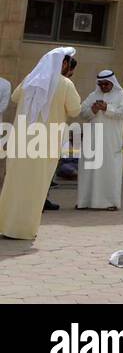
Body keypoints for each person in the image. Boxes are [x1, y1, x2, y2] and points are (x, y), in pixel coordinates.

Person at [0, 47, 83, 240]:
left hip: (21, 143)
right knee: (35, 186)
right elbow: (75, 110)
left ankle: (5, 225)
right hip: (45, 144)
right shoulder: (65, 84)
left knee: (14, 183)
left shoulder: (31, 79)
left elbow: (14, 98)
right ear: (62, 63)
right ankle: (22, 230)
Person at [76, 69, 123, 211]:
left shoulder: (121, 95)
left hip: (110, 141)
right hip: (92, 139)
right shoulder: (93, 95)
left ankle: (110, 202)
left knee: (109, 169)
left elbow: (122, 113)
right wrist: (93, 110)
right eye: (101, 84)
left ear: (112, 83)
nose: (104, 87)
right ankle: (85, 201)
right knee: (89, 169)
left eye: (106, 84)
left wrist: (107, 108)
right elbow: (82, 112)